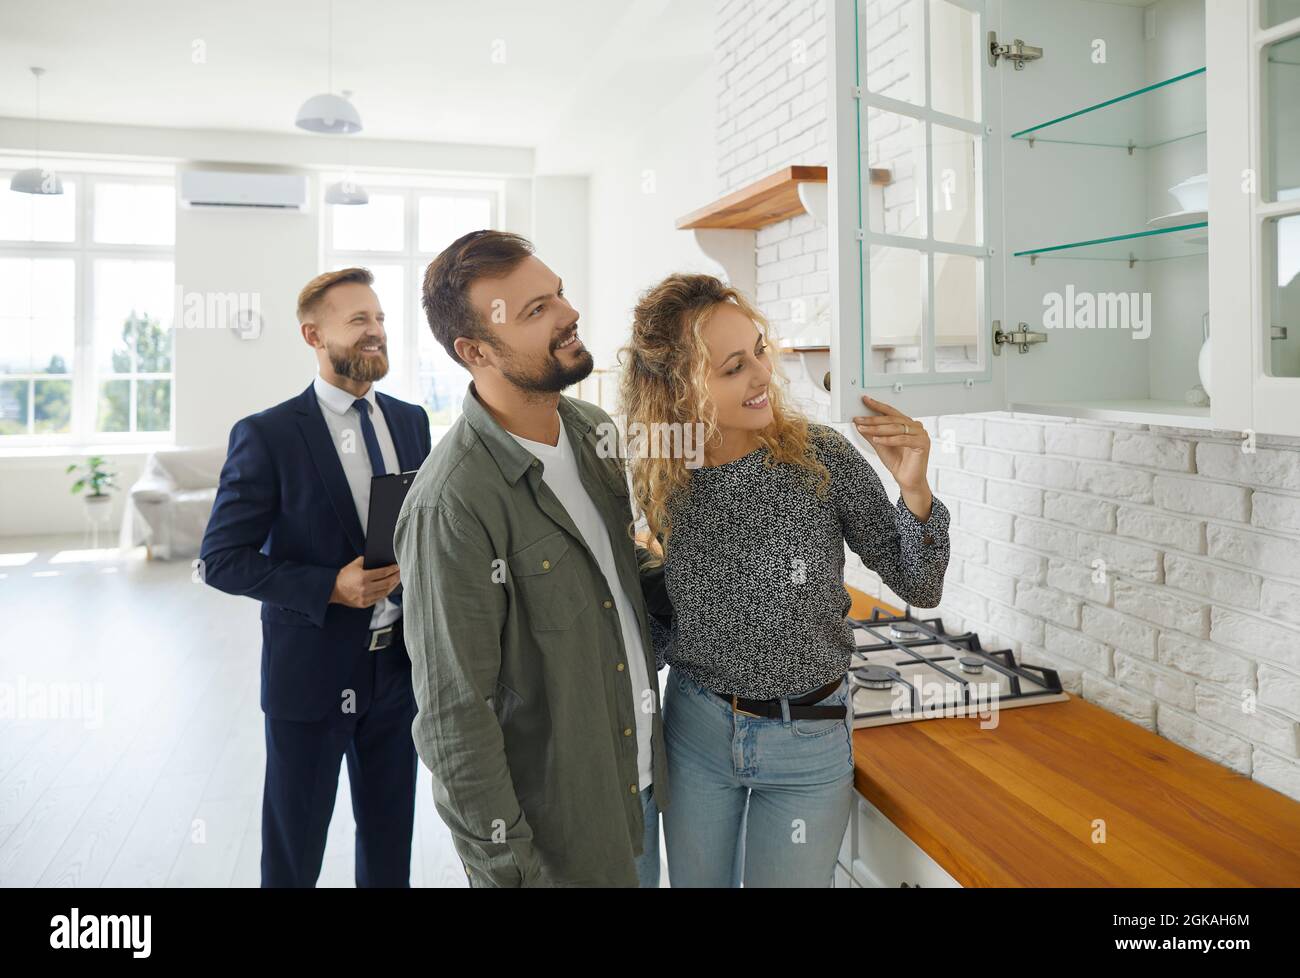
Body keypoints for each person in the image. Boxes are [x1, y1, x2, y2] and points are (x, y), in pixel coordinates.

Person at [620, 272, 951, 887]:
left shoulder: (821, 457)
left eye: (760, 352)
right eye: (733, 367)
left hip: (810, 741)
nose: (762, 375)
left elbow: (920, 583)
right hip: (697, 729)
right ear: (678, 390)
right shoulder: (661, 471)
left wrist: (915, 489)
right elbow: (667, 595)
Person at [394, 230, 671, 887]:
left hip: (639, 787)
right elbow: (456, 718)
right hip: (555, 839)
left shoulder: (593, 432)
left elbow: (614, 579)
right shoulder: (451, 505)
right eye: (534, 311)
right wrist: (509, 870)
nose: (567, 314)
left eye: (558, 295)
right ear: (475, 351)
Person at [199, 267, 431, 887]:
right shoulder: (268, 434)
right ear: (312, 335)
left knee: (390, 850)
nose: (376, 332)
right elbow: (220, 559)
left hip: (398, 674)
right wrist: (330, 585)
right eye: (358, 320)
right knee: (294, 853)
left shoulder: (410, 422)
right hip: (310, 676)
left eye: (380, 319)